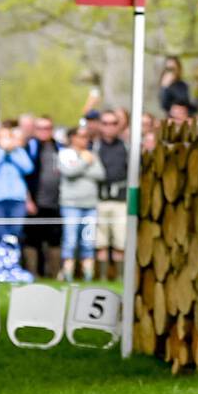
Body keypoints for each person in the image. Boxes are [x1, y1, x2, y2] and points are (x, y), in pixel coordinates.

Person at [58, 127, 106, 281]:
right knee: (70, 240)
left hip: (90, 205)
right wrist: (85, 162)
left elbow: (100, 174)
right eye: (81, 136)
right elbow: (69, 172)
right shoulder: (65, 154)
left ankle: (88, 275)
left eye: (86, 137)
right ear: (72, 137)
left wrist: (79, 167)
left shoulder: (93, 154)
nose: (84, 140)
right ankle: (68, 274)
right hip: (70, 204)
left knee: (88, 240)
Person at [0, 122, 34, 242]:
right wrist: (2, 151)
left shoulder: (18, 151)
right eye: (3, 137)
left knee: (15, 235)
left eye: (8, 137)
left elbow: (28, 168)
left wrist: (12, 152)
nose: (6, 140)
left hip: (17, 199)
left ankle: (12, 260)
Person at [91, 110, 128, 280]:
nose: (109, 127)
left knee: (121, 242)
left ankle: (120, 277)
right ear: (100, 125)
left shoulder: (126, 146)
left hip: (121, 201)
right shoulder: (94, 146)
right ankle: (103, 277)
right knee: (101, 243)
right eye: (105, 123)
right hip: (99, 200)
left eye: (114, 123)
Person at [24, 115, 63, 277]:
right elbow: (23, 176)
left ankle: (53, 274)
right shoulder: (29, 147)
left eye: (47, 128)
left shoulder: (59, 147)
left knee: (54, 240)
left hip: (56, 203)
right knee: (33, 240)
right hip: (35, 202)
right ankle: (33, 273)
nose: (44, 131)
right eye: (40, 128)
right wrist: (28, 200)